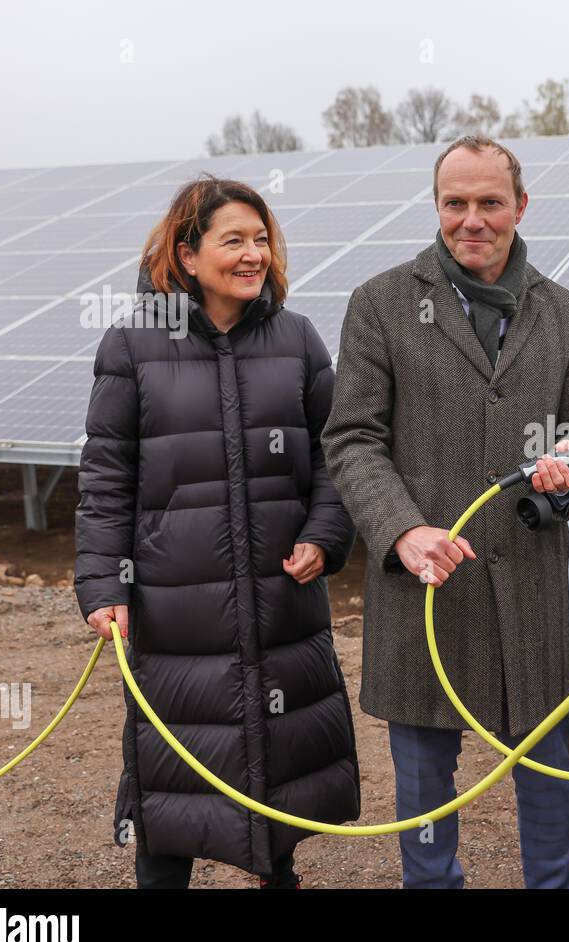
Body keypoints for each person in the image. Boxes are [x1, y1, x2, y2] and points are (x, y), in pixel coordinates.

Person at [321, 135, 569, 888]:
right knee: (422, 800)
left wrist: (568, 477)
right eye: (456, 203)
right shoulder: (380, 304)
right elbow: (351, 438)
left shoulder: (564, 314)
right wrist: (403, 529)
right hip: (425, 594)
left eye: (489, 202)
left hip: (529, 592)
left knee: (548, 788)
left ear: (521, 206)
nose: (471, 219)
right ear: (437, 206)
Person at [74, 176, 360, 889]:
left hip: (280, 605)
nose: (254, 254)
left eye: (261, 239)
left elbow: (338, 452)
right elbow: (106, 477)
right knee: (170, 782)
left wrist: (325, 533)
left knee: (281, 776)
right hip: (174, 610)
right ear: (187, 252)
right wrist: (102, 583)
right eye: (233, 239)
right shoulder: (134, 346)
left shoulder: (296, 339)